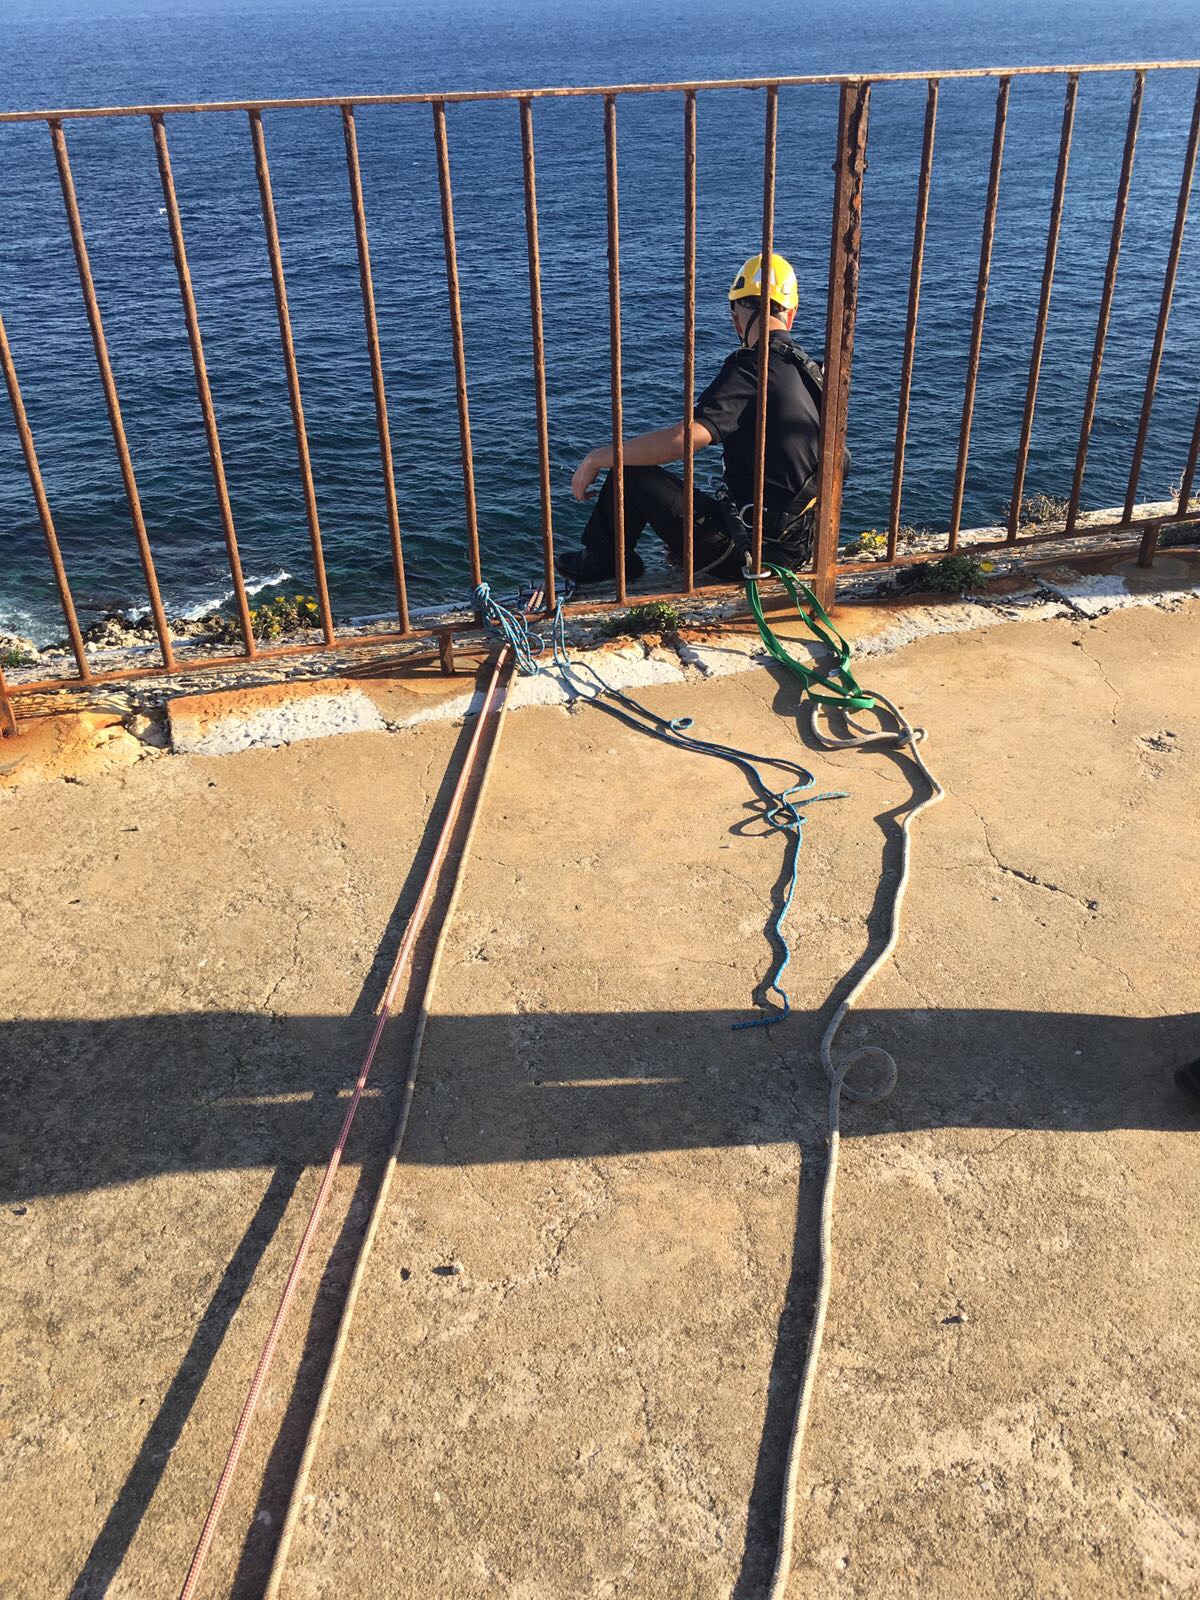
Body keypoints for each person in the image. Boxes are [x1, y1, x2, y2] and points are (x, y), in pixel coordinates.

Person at [558, 252, 828, 588]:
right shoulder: (811, 371)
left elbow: (685, 439)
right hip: (799, 545)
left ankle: (605, 560)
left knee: (630, 474)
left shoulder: (752, 368)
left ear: (737, 315)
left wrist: (598, 457)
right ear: (792, 313)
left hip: (751, 552)